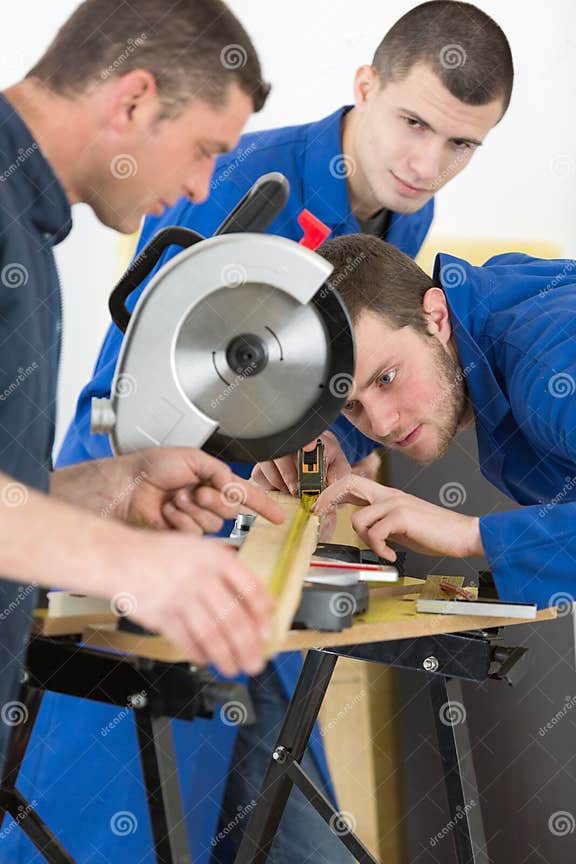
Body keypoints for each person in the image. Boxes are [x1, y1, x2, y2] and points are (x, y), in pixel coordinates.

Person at [6, 4, 515, 863]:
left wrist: (324, 456)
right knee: (99, 826)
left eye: (460, 145)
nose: (427, 163)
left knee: (286, 827)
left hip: (239, 567)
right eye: (414, 123)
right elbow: (129, 396)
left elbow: (334, 394)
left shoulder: (403, 213)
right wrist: (135, 532)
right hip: (129, 563)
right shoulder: (247, 182)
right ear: (367, 89)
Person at [0, 0, 283, 832]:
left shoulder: (26, 232)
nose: (199, 186)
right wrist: (139, 565)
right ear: (131, 100)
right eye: (203, 150)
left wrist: (106, 489)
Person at [305, 233, 576, 614]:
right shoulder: (484, 303)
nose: (381, 426)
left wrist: (467, 535)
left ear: (435, 317)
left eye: (387, 379)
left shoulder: (551, 371)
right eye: (350, 404)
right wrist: (327, 441)